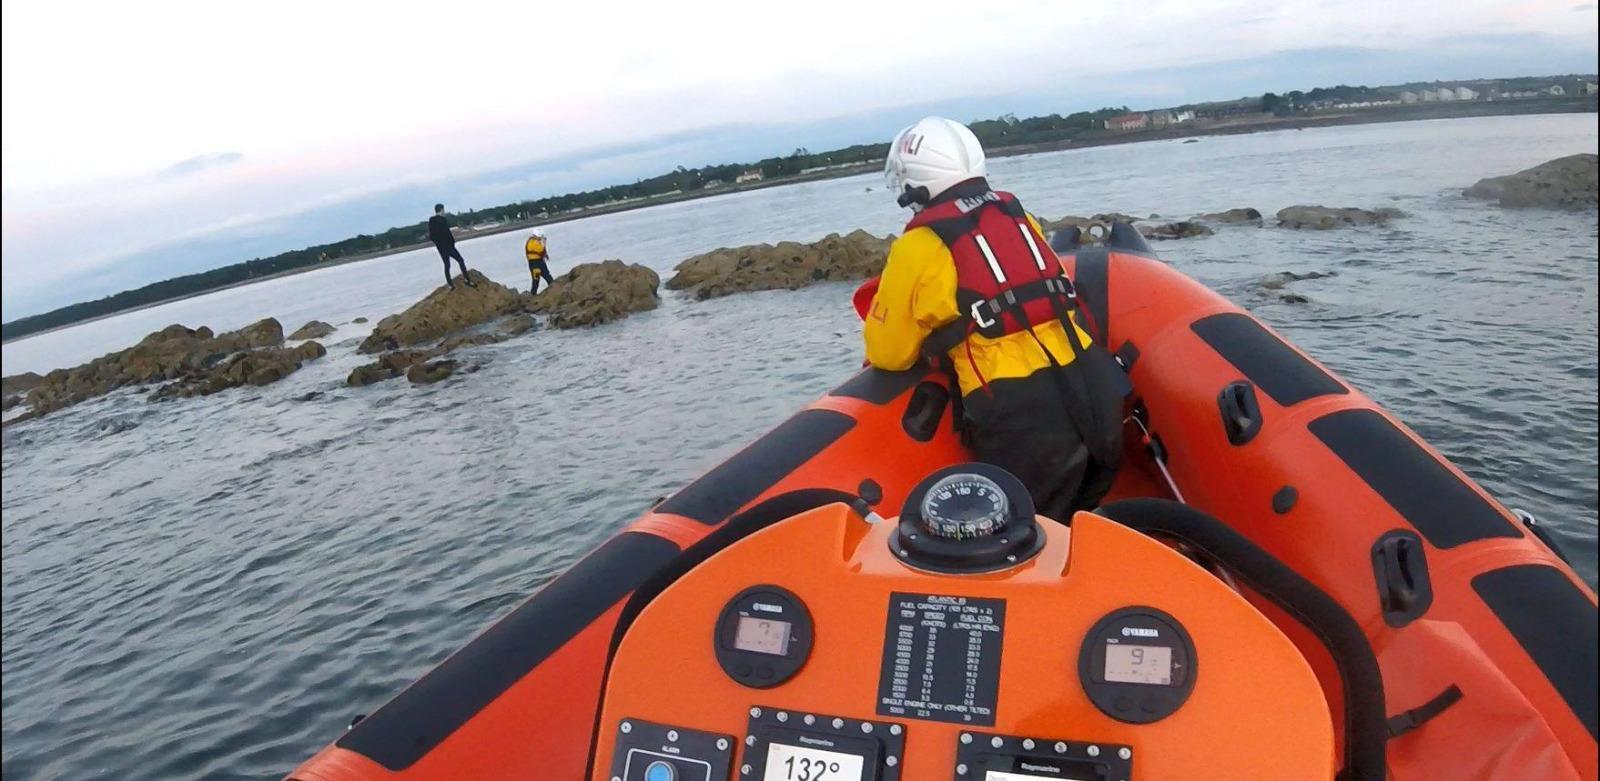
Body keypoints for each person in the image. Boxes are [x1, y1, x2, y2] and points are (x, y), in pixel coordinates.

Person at [863, 117, 1128, 519]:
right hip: (1091, 386)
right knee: (1080, 511)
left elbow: (888, 353)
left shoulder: (918, 246)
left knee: (1033, 527)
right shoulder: (1018, 218)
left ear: (917, 183)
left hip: (1019, 413)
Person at [427, 203, 475, 289]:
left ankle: (450, 284)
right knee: (460, 260)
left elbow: (432, 236)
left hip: (441, 247)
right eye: (443, 210)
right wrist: (452, 242)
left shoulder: (431, 220)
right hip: (448, 246)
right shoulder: (443, 219)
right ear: (441, 210)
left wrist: (438, 244)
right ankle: (467, 280)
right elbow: (447, 233)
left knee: (447, 265)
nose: (444, 211)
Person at [525, 228, 554, 294]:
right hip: (534, 263)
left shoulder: (535, 241)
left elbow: (542, 251)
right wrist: (543, 243)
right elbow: (540, 250)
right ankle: (533, 294)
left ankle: (553, 290)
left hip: (540, 261)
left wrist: (545, 253)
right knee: (536, 280)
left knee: (548, 277)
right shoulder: (532, 242)